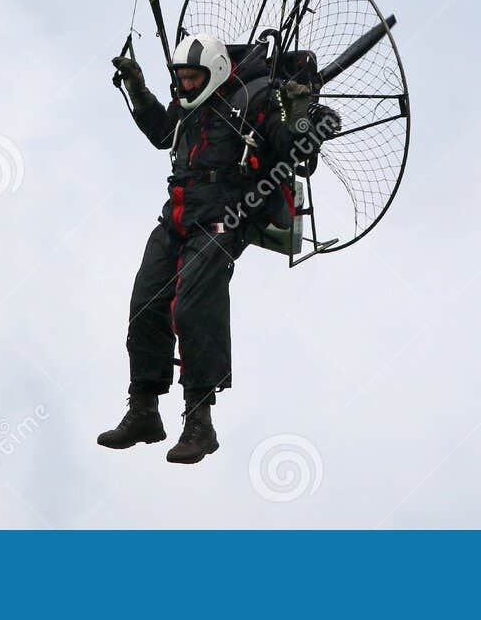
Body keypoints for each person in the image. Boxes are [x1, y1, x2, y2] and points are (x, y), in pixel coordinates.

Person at [98, 33, 319, 463]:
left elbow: (297, 152)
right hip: (177, 215)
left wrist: (298, 113)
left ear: (214, 72)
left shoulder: (254, 101)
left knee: (194, 308)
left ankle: (200, 422)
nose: (185, 85)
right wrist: (138, 90)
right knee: (146, 304)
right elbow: (164, 134)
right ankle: (144, 410)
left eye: (193, 77)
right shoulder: (188, 107)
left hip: (224, 219)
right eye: (180, 78)